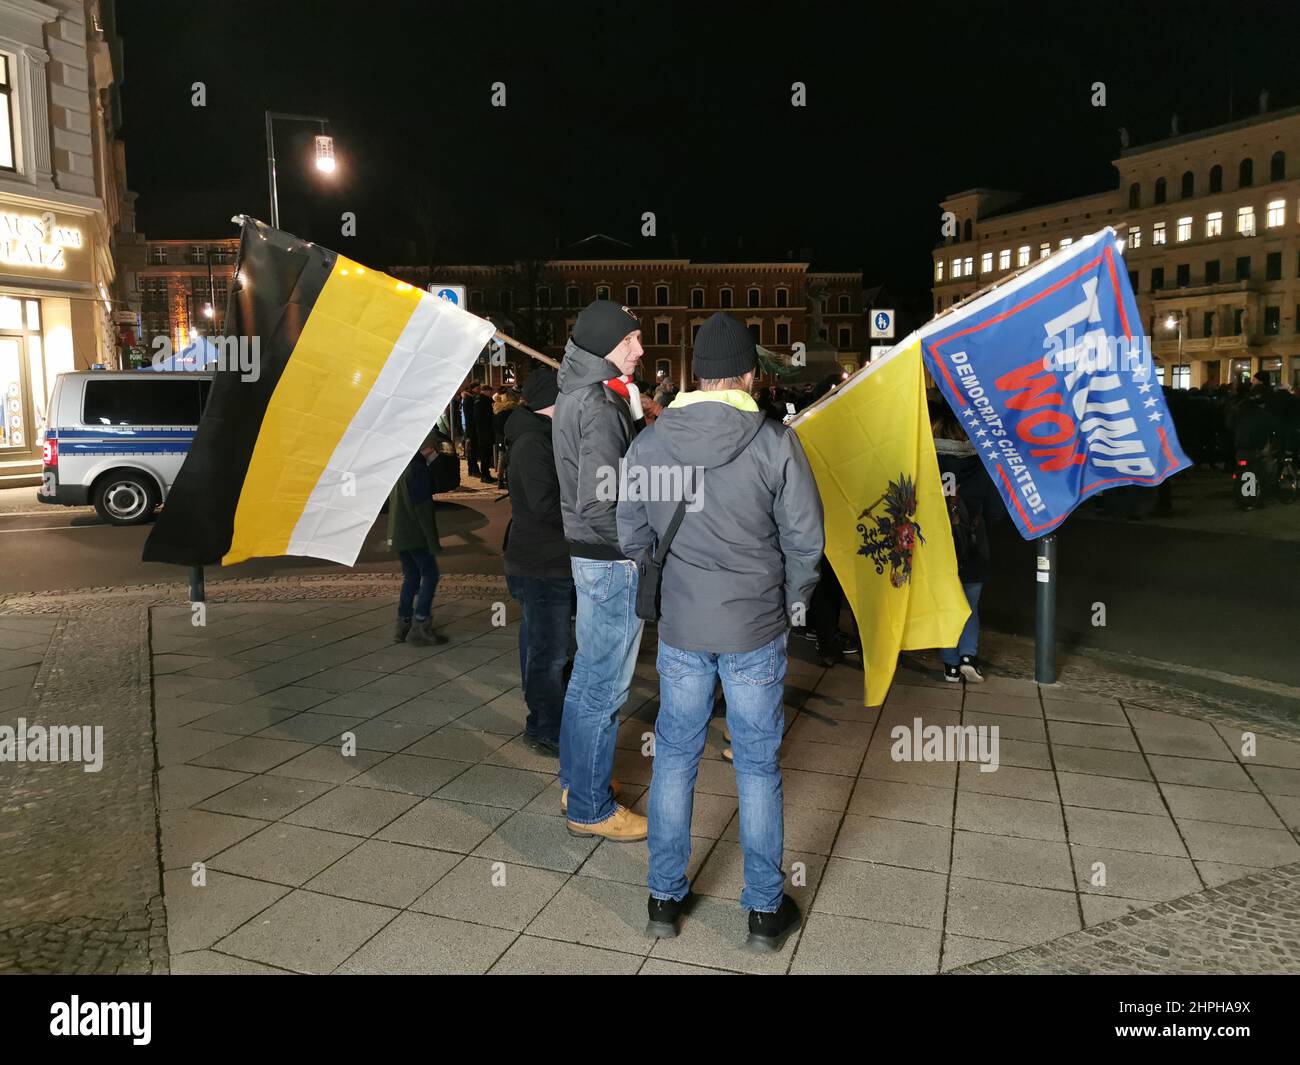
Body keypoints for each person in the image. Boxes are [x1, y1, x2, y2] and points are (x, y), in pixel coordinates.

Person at [618, 312, 824, 950]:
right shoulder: (774, 443)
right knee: (757, 766)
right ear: (749, 375)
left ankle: (663, 900)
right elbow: (806, 542)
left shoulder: (650, 442)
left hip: (682, 626)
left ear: (695, 374)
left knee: (675, 758)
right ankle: (764, 914)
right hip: (756, 626)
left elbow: (631, 535)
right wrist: (790, 600)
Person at [553, 300, 649, 842]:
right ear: (604, 345)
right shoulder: (599, 405)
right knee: (605, 689)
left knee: (588, 679)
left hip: (589, 556)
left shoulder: (580, 395)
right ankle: (590, 808)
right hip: (611, 560)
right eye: (629, 340)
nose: (639, 349)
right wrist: (639, 546)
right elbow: (600, 502)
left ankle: (577, 782)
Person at [503, 369, 571, 756]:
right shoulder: (533, 442)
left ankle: (542, 721)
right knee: (549, 653)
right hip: (541, 565)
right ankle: (546, 728)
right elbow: (547, 506)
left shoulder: (541, 436)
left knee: (540, 648)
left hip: (542, 562)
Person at [932, 401, 1001, 681]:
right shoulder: (982, 466)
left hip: (939, 546)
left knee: (946, 604)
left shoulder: (927, 463)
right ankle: (968, 657)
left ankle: (949, 663)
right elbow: (995, 510)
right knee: (970, 604)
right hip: (974, 545)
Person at [388, 432, 448, 647]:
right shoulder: (419, 470)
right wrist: (433, 541)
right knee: (430, 575)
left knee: (411, 575)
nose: (437, 449)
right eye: (434, 445)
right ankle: (420, 624)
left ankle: (403, 622)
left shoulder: (402, 466)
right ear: (428, 447)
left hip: (400, 532)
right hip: (415, 533)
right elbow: (423, 510)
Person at [473, 384, 497, 483]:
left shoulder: (479, 400)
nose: (491, 394)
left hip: (483, 432)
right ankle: (485, 475)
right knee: (485, 455)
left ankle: (485, 474)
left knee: (485, 455)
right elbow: (480, 417)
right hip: (485, 432)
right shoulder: (483, 400)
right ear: (486, 391)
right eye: (490, 391)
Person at [461, 384, 482, 477]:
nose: (479, 390)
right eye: (478, 388)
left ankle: (472, 469)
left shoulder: (469, 399)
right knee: (472, 449)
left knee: (471, 449)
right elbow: (470, 416)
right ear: (473, 389)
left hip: (470, 428)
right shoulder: (470, 399)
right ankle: (473, 470)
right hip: (471, 428)